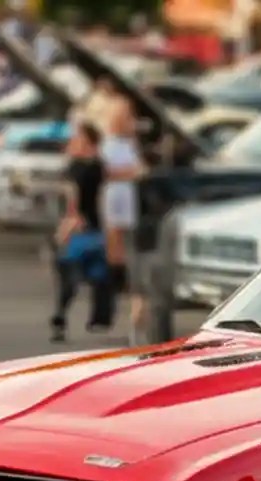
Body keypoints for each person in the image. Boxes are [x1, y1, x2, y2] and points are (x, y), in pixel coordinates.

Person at [51, 123, 114, 343]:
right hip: (96, 231)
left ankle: (62, 317)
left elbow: (72, 203)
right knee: (98, 276)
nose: (70, 143)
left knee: (72, 275)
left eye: (76, 139)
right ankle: (98, 319)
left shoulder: (79, 169)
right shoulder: (97, 166)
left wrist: (66, 228)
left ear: (87, 143)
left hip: (84, 231)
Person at [99, 99, 146, 346]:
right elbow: (106, 172)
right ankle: (114, 307)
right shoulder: (108, 145)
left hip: (129, 202)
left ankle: (132, 314)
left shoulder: (129, 144)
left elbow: (140, 168)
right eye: (126, 118)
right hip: (114, 201)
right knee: (116, 256)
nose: (131, 123)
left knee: (131, 256)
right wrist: (131, 172)